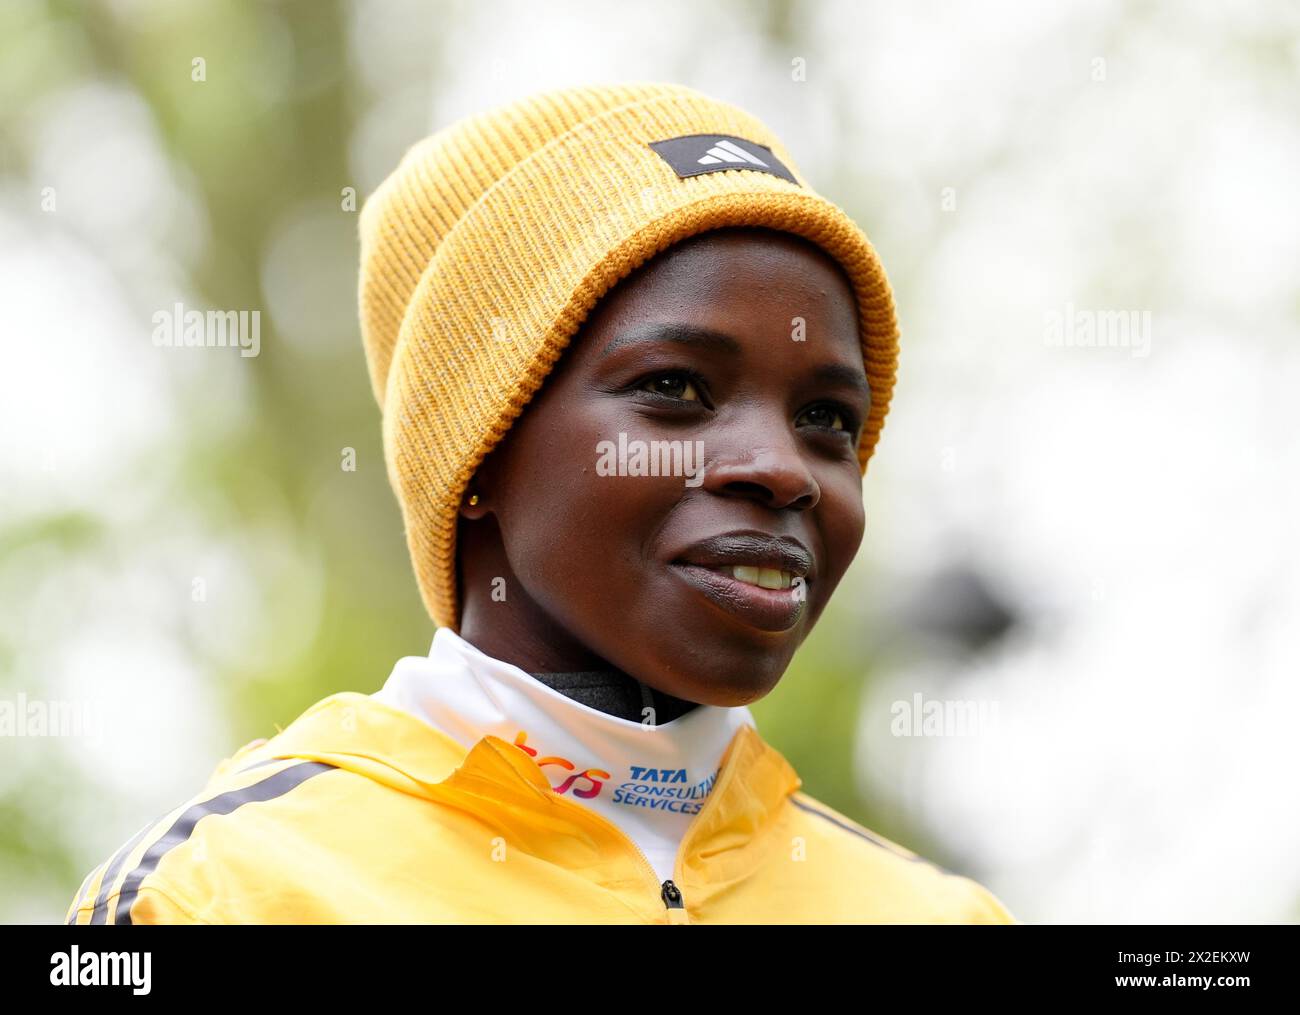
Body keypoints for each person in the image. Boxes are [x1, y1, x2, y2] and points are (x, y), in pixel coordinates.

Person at [65, 81, 1017, 924]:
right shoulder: (218, 896)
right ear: (477, 452)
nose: (784, 467)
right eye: (676, 389)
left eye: (826, 417)